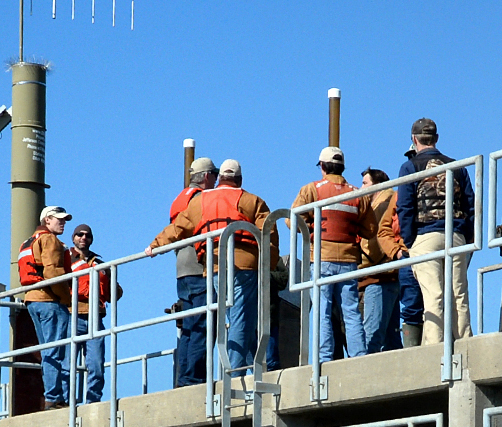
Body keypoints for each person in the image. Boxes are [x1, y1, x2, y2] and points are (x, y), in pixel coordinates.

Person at [148, 158, 277, 376]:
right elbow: (269, 233)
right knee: (240, 321)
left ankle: (244, 369)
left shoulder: (200, 201)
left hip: (214, 267)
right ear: (239, 179)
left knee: (230, 318)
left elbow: (178, 226)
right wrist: (270, 265)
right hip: (245, 267)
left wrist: (155, 245)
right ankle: (235, 374)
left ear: (221, 179)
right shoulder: (252, 200)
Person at [397, 117, 475, 343]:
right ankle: (466, 343)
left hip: (425, 236)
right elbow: (470, 204)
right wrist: (468, 238)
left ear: (414, 139)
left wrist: (410, 242)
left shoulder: (410, 167)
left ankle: (434, 348)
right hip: (456, 236)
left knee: (433, 296)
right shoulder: (456, 166)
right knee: (458, 295)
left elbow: (404, 207)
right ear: (436, 138)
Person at [293, 146, 372, 362]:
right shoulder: (357, 193)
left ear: (323, 166)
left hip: (322, 258)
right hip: (349, 260)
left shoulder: (312, 189)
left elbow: (292, 221)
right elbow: (370, 229)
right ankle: (359, 356)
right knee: (351, 311)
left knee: (322, 311)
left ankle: (324, 359)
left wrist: (313, 228)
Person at [16, 205, 74, 405]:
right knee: (55, 351)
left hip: (32, 300)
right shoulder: (49, 239)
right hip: (50, 301)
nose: (63, 223)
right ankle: (55, 397)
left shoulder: (27, 242)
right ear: (47, 220)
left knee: (48, 351)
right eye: (59, 219)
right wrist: (67, 298)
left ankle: (53, 396)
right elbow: (53, 273)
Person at [168, 157, 215, 387]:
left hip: (182, 269)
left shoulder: (180, 198)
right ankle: (194, 378)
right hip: (198, 268)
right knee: (202, 325)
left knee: (189, 326)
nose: (217, 179)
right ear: (206, 176)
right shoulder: (202, 199)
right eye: (215, 174)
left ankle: (184, 378)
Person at [67, 224, 120, 404]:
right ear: (73, 237)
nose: (83, 238)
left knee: (96, 364)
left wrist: (107, 288)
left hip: (95, 317)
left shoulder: (101, 264)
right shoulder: (65, 259)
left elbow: (116, 292)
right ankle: (66, 403)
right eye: (79, 234)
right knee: (67, 364)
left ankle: (93, 401)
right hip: (71, 316)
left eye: (87, 235)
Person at [357, 167, 407, 353]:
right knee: (391, 340)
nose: (361, 188)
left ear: (376, 185)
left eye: (365, 183)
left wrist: (358, 262)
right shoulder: (389, 201)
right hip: (388, 275)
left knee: (372, 337)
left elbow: (374, 245)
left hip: (379, 277)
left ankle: (366, 371)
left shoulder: (380, 205)